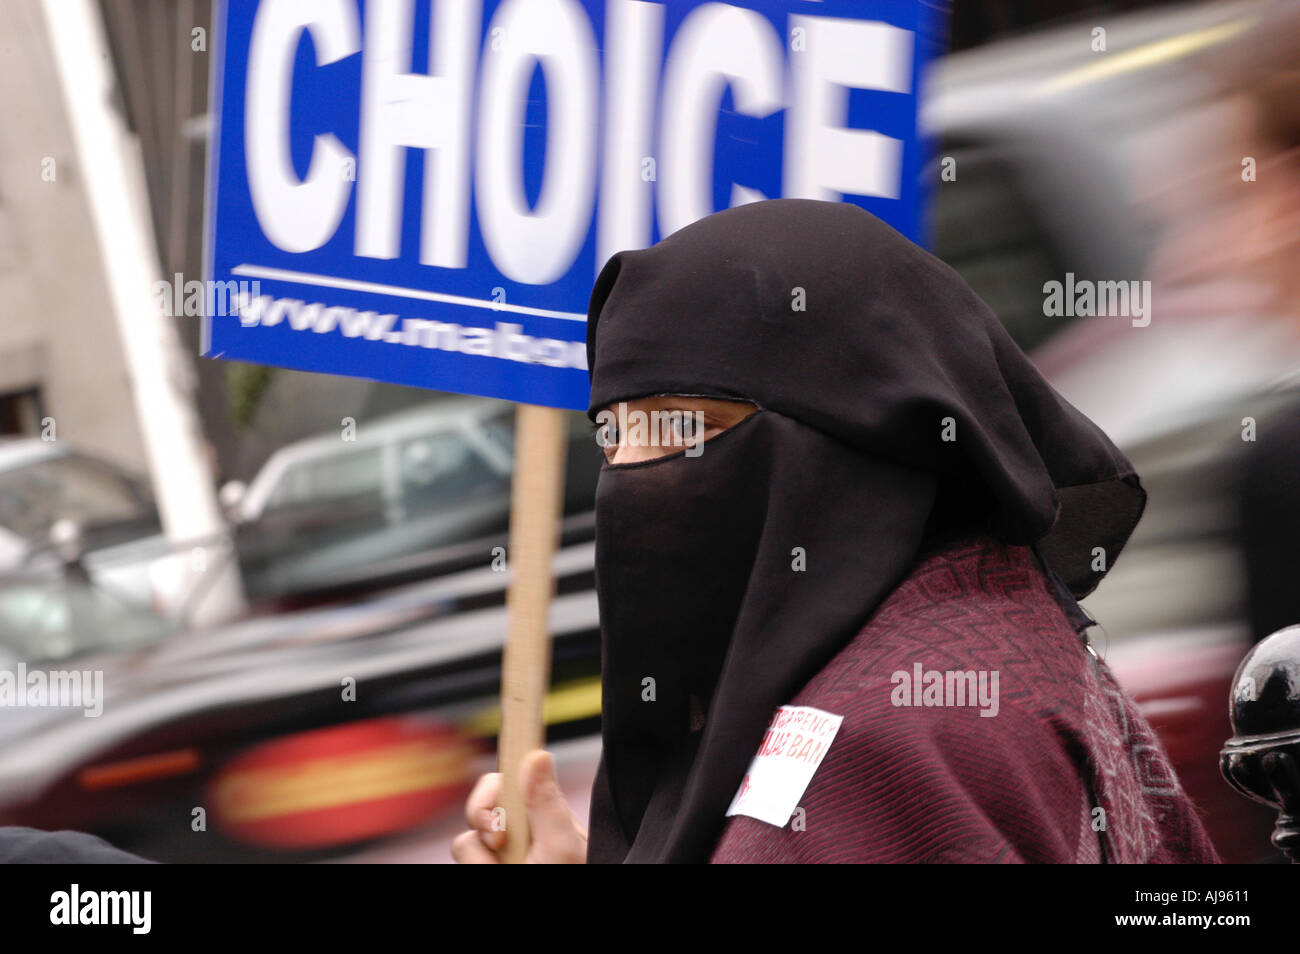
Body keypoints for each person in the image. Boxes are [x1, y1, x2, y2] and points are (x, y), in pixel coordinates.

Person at [452, 198, 1220, 864]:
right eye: (611, 435)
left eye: (680, 427)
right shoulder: (999, 625)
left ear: (845, 436)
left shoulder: (876, 751)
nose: (629, 473)